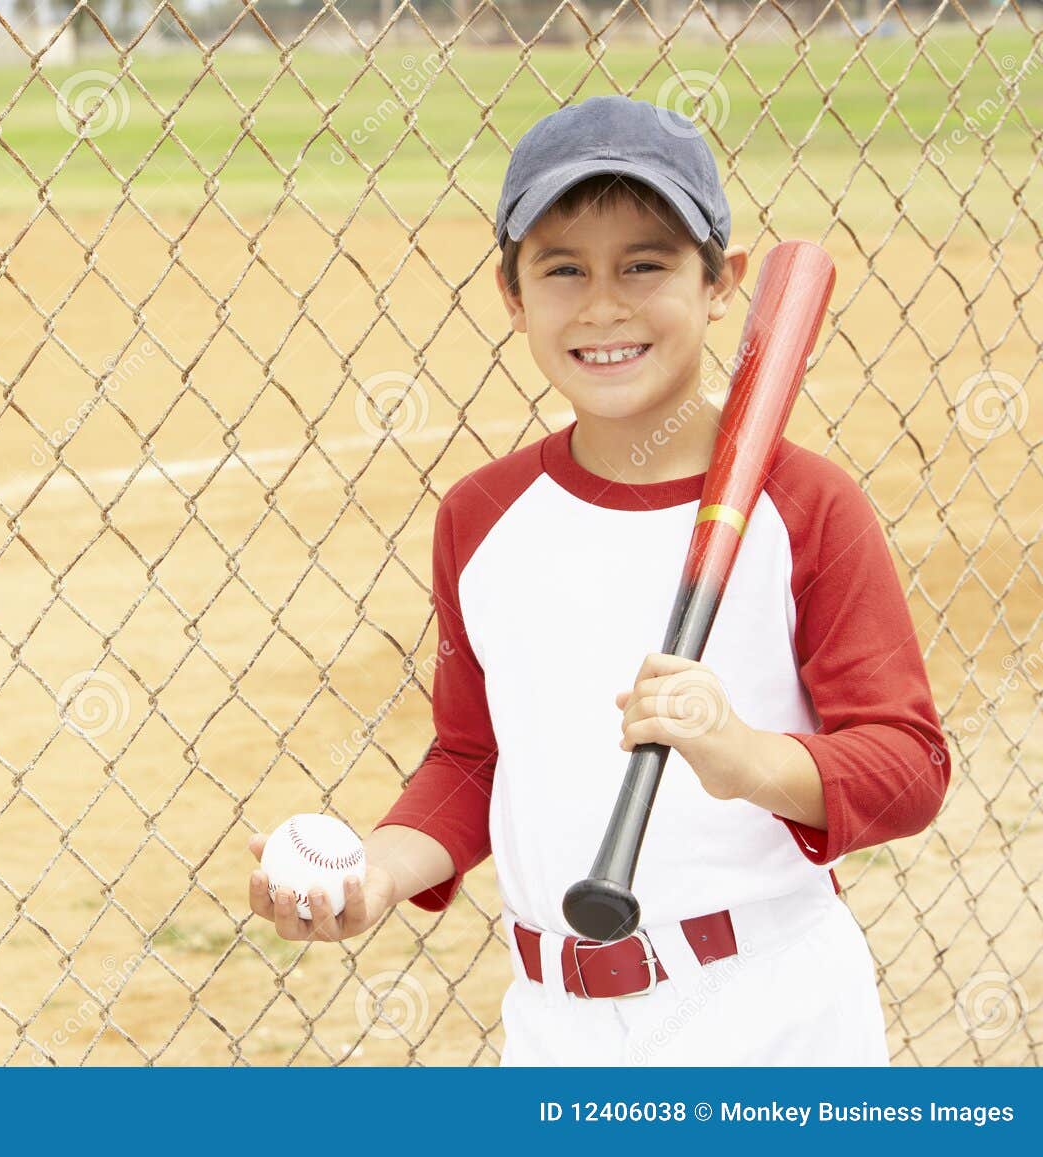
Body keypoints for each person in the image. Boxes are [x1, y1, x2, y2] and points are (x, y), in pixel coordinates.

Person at [246, 95, 949, 1065]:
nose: (603, 304)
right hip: (555, 1025)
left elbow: (909, 766)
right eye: (563, 268)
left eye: (645, 265)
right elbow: (473, 757)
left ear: (721, 282)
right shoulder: (481, 517)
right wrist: (380, 873)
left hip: (769, 1011)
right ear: (511, 293)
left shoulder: (805, 506)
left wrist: (747, 758)